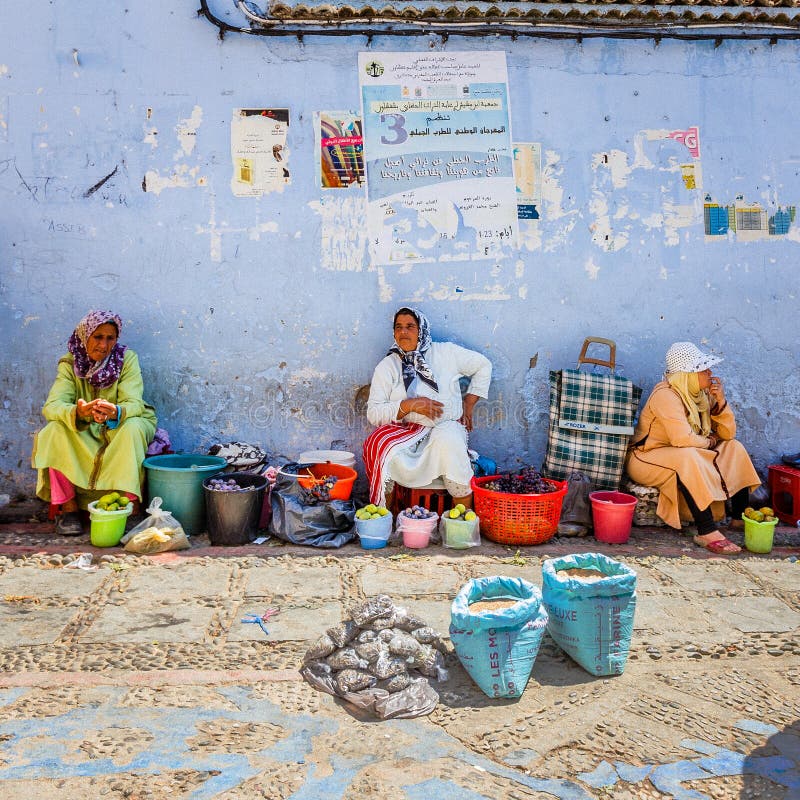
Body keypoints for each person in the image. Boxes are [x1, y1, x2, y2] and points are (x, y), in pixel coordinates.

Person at [625, 341, 760, 554]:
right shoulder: (665, 394)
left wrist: (720, 401)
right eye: (703, 369)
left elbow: (727, 434)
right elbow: (681, 439)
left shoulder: (701, 395)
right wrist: (710, 442)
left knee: (734, 447)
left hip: (687, 451)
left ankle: (738, 517)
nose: (710, 372)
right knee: (687, 456)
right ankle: (706, 531)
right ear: (687, 375)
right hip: (646, 458)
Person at [31, 310, 157, 535]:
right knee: (52, 431)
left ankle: (131, 508)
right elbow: (52, 406)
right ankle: (68, 510)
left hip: (119, 425)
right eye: (98, 337)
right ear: (84, 335)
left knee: (133, 428)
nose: (103, 345)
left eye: (110, 338)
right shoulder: (70, 363)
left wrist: (116, 411)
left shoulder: (126, 359)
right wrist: (79, 412)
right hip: (85, 428)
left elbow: (134, 403)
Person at [363, 307, 492, 511]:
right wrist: (410, 405)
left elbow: (483, 365)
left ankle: (461, 522)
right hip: (408, 433)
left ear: (421, 330)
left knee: (448, 440)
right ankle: (385, 518)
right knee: (377, 443)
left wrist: (469, 404)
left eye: (410, 327)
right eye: (399, 327)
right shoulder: (388, 366)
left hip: (446, 426)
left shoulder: (446, 352)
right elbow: (374, 413)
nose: (403, 332)